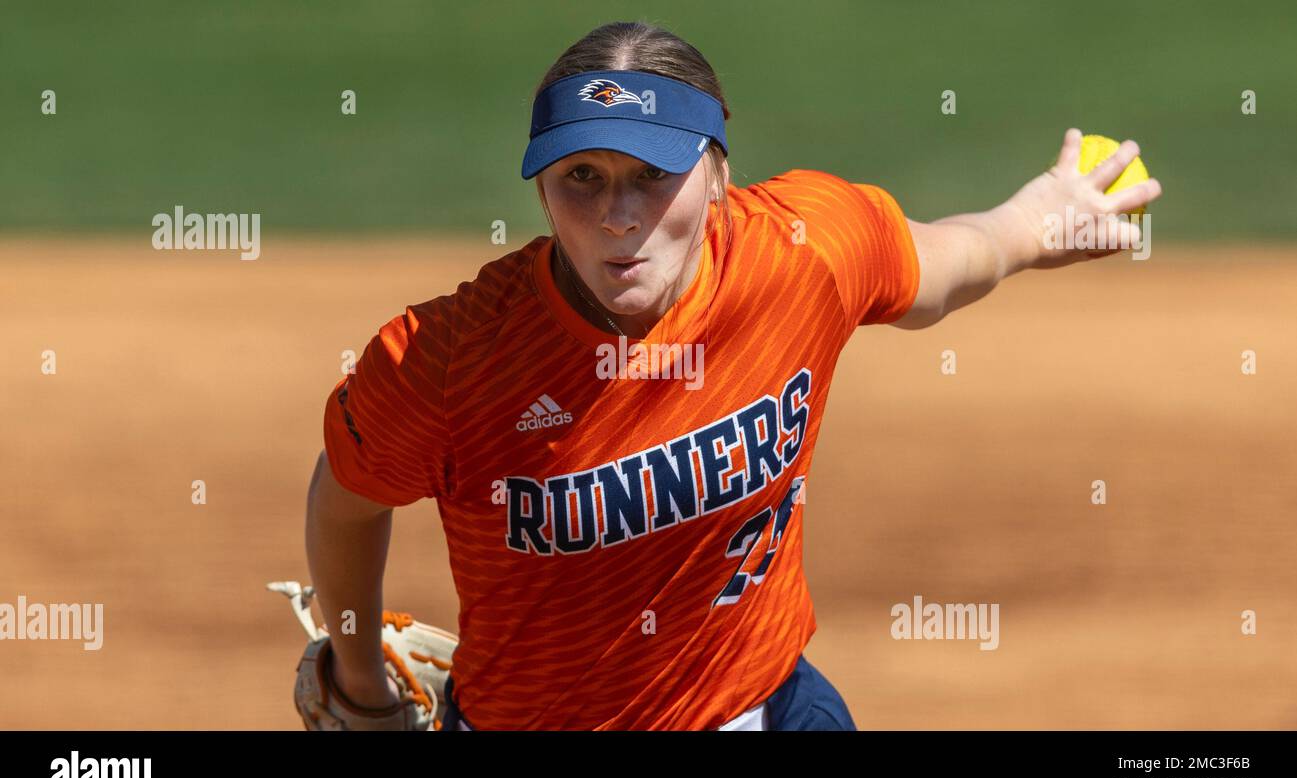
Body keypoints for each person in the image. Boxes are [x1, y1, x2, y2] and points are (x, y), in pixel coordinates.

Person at [303, 21, 1162, 730]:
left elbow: (942, 264)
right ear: (540, 190)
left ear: (718, 172)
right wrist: (359, 680)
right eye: (582, 177)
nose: (617, 215)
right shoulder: (448, 360)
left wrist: (1035, 219)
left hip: (771, 707)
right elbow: (347, 496)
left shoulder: (803, 251)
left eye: (652, 174)